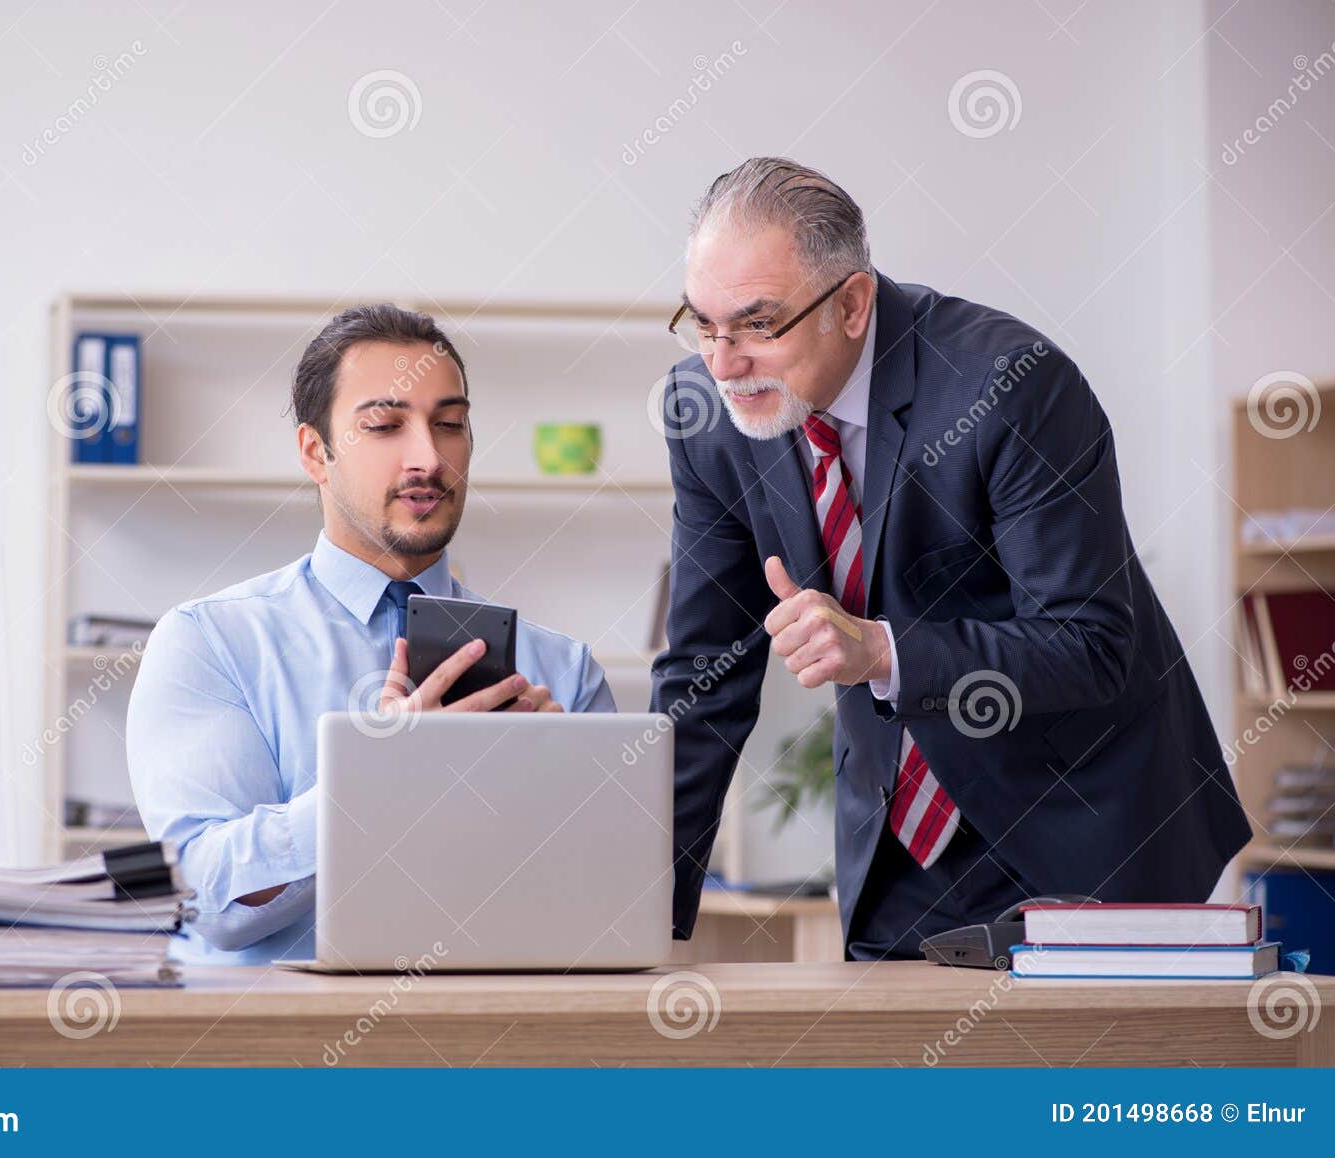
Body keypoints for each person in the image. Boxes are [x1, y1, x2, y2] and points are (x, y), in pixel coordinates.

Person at [655, 157, 1250, 960]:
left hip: (1083, 823)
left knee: (1061, 1085)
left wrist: (881, 650)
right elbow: (703, 674)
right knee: (903, 1082)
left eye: (758, 326)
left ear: (853, 304)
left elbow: (1091, 642)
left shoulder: (1008, 384)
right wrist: (642, 910)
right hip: (900, 840)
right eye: (703, 324)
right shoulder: (712, 417)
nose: (723, 364)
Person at [128, 303, 615, 963]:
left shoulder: (565, 670)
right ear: (315, 453)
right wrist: (385, 781)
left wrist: (547, 795)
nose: (428, 457)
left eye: (450, 425)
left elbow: (604, 922)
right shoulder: (208, 643)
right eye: (385, 425)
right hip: (275, 1057)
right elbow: (210, 903)